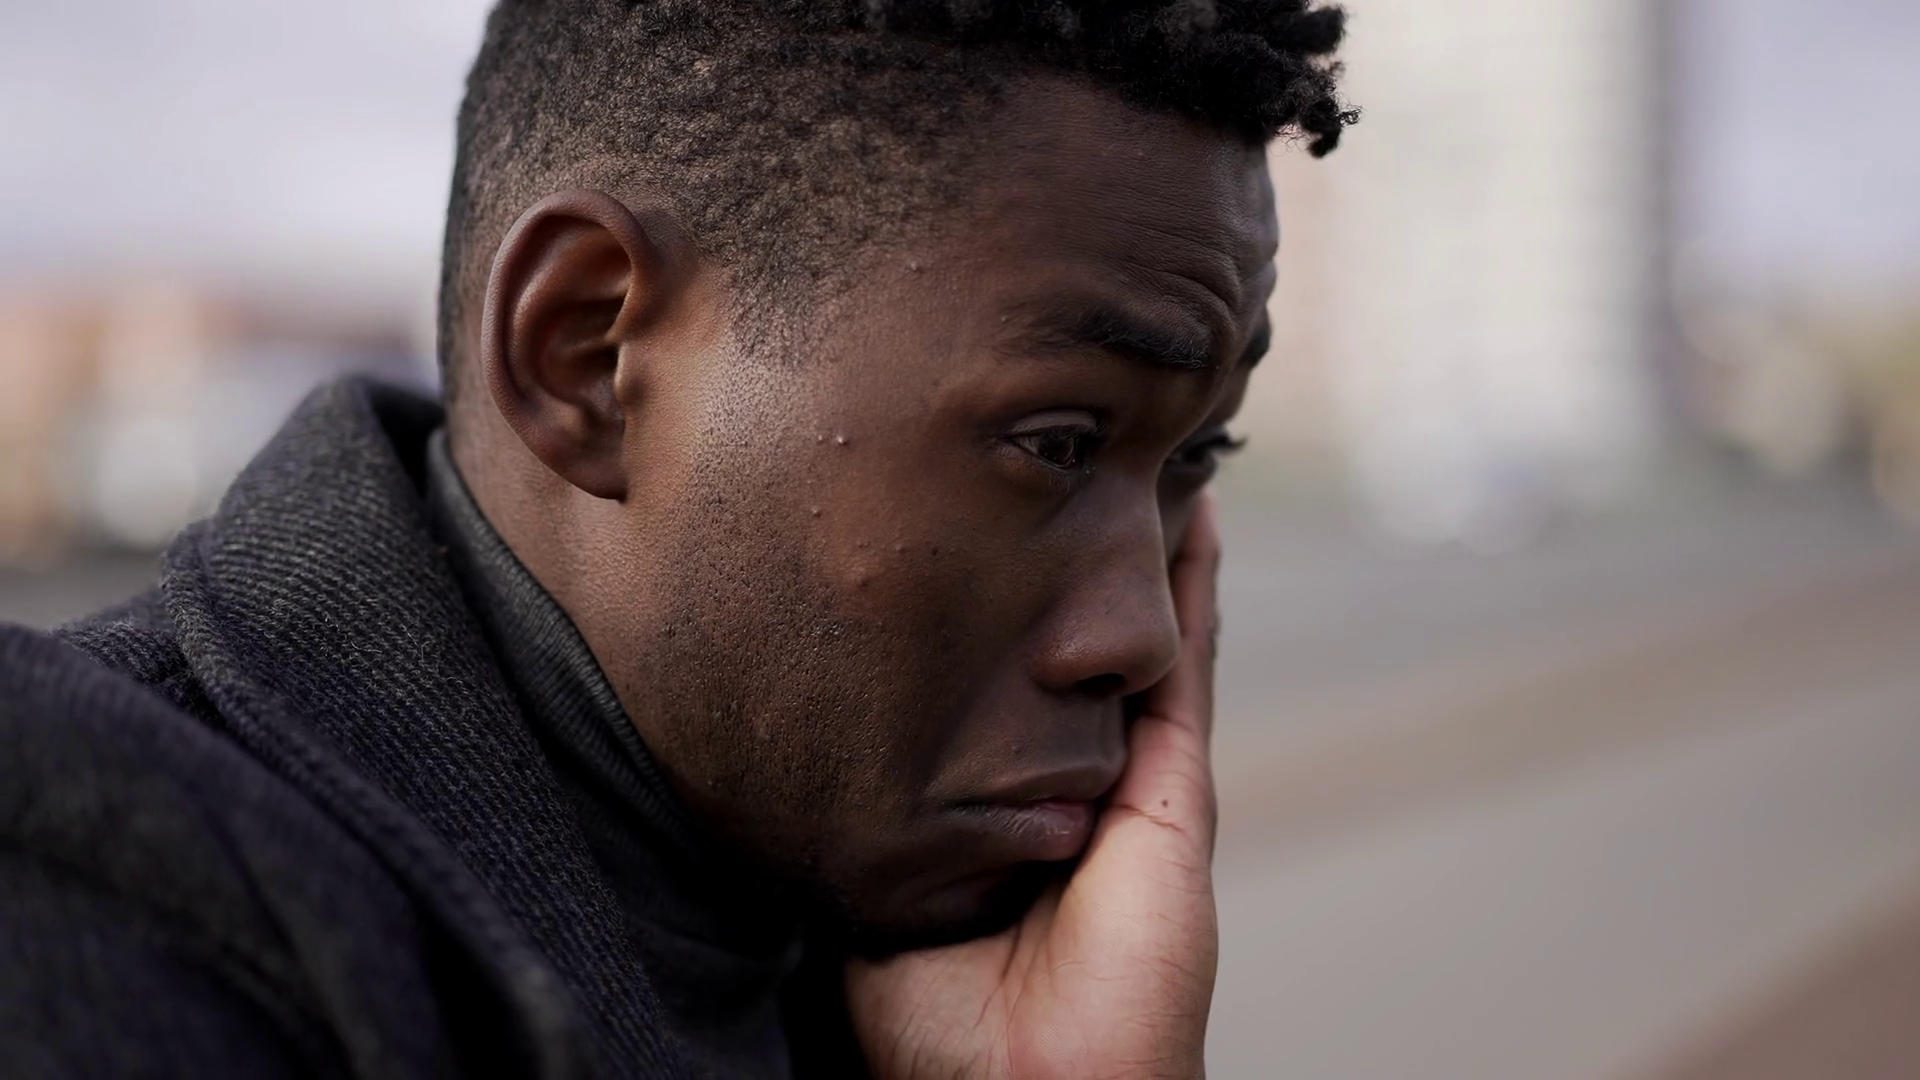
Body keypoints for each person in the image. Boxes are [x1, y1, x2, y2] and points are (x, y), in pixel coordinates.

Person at [0, 2, 1352, 1077]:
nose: (1144, 632)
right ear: (588, 352)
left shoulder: (850, 911)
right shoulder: (102, 903)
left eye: (1192, 459)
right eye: (1055, 442)